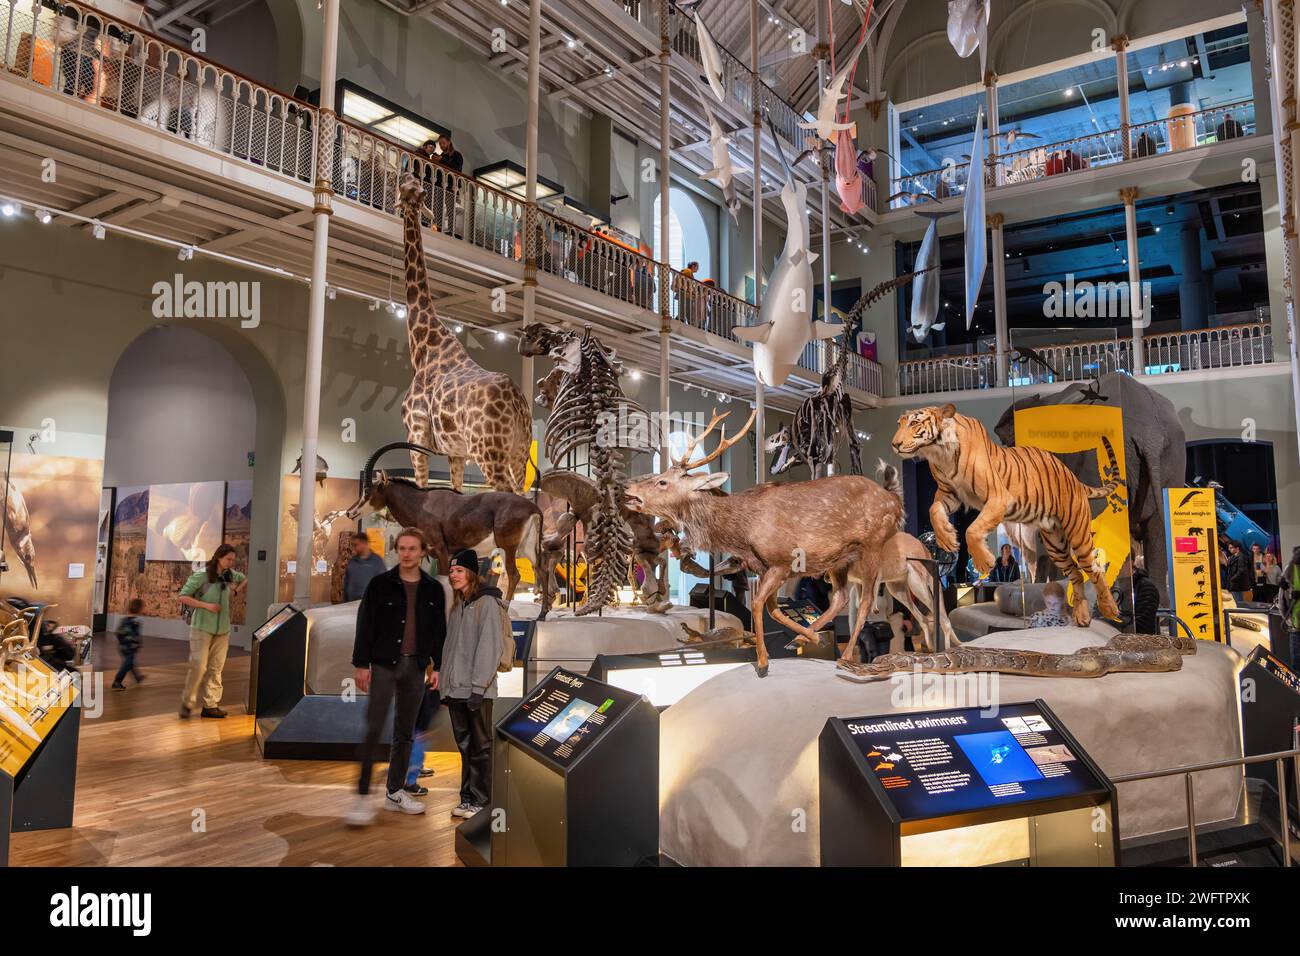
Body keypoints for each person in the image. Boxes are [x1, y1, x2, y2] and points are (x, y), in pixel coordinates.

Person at [346, 527, 446, 825]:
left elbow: (439, 631)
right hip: (383, 665)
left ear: (422, 552)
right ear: (396, 550)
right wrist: (361, 664)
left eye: (412, 548)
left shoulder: (433, 589)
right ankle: (361, 796)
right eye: (402, 548)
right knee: (373, 729)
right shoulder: (379, 585)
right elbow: (365, 625)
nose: (406, 553)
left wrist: (437, 666)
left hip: (415, 669)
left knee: (405, 732)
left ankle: (395, 792)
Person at [442, 548, 510, 819]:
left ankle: (482, 802)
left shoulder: (487, 604)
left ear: (471, 573)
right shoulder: (459, 604)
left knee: (481, 746)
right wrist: (445, 685)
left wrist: (478, 688)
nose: (453, 575)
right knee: (465, 746)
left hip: (476, 691)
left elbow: (489, 647)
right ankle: (467, 798)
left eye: (459, 570)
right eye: (451, 571)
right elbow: (450, 647)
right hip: (456, 689)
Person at [178, 544, 246, 719]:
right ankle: (187, 702)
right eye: (228, 559)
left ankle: (211, 705)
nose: (231, 562)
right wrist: (206, 606)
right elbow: (183, 596)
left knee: (216, 668)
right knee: (199, 667)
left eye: (233, 559)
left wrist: (237, 589)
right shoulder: (201, 576)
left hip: (222, 630)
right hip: (201, 628)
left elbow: (244, 578)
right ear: (218, 557)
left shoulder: (229, 575)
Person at [342, 532, 386, 603]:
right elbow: (346, 583)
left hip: (370, 604)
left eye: (356, 545)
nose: (354, 547)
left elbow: (384, 583)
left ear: (364, 543)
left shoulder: (377, 561)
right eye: (353, 545)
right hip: (351, 604)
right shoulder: (352, 562)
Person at [112, 598, 146, 689]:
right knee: (127, 664)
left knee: (130, 663)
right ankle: (117, 681)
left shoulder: (124, 620)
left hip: (122, 646)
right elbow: (135, 635)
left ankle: (137, 677)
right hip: (130, 647)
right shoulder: (135, 622)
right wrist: (137, 643)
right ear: (139, 609)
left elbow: (118, 632)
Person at [1283, 546, 1300, 668]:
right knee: (1296, 658)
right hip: (1295, 622)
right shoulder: (1290, 569)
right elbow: (1283, 594)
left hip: (1295, 621)